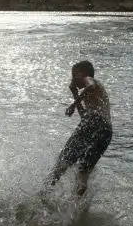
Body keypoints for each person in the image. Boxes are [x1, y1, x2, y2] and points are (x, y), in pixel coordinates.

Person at [47, 60, 113, 197]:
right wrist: (74, 93)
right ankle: (75, 209)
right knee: (83, 171)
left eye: (74, 76)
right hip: (106, 131)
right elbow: (84, 117)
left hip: (94, 123)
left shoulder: (90, 80)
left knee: (63, 161)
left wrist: (73, 104)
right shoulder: (93, 94)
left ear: (83, 74)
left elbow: (91, 86)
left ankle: (44, 193)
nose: (72, 80)